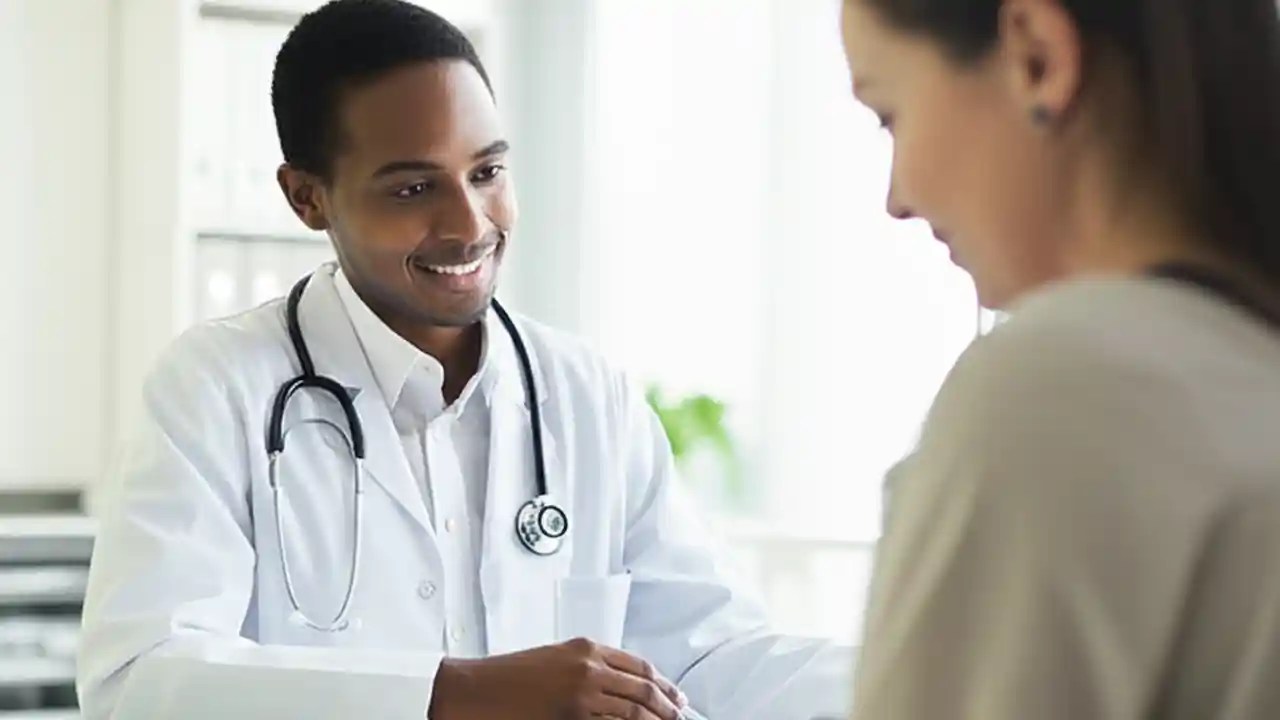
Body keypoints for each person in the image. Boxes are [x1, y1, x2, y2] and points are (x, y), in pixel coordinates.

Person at [75, 2, 851, 719]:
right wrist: (455, 694)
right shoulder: (216, 388)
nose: (469, 224)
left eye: (486, 173)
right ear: (307, 197)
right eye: (413, 188)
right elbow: (140, 681)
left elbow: (709, 656)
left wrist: (937, 671)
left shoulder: (587, 397)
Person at [839, 0, 1280, 718]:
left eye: (890, 114)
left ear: (1037, 57)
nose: (898, 198)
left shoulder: (1059, 390)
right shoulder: (1247, 369)